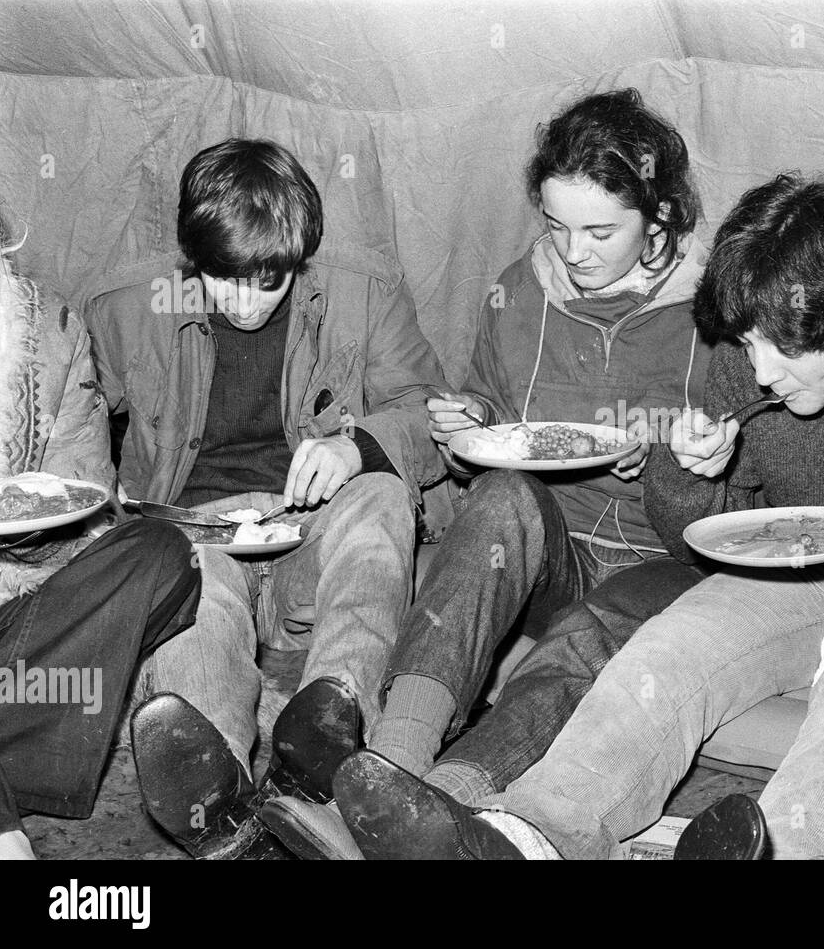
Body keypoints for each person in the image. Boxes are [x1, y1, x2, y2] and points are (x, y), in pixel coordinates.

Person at [324, 171, 824, 860]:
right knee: (658, 658)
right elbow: (693, 533)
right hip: (792, 568)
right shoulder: (748, 356)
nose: (760, 370)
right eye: (749, 344)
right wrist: (689, 468)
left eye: (780, 348)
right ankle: (531, 834)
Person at [262, 88, 714, 860]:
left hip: (668, 561)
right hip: (551, 556)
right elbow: (496, 428)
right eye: (557, 225)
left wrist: (678, 466)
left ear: (661, 215)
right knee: (503, 496)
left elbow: (753, 501)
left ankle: (446, 805)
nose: (574, 253)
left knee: (590, 635)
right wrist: (467, 424)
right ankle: (389, 770)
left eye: (601, 231)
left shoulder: (719, 311)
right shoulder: (518, 291)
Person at [80, 139, 447, 859]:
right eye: (224, 279)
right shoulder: (128, 305)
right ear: (192, 257)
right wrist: (102, 495)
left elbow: (431, 414)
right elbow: (73, 413)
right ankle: (218, 802)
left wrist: (356, 446)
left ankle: (328, 732)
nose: (246, 302)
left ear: (299, 254)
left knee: (380, 496)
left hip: (311, 536)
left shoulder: (363, 292)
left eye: (269, 279)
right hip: (200, 532)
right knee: (188, 584)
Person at [0, 223, 200, 860]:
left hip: (17, 623)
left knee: (162, 555)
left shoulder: (49, 327)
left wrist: (28, 529)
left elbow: (80, 501)